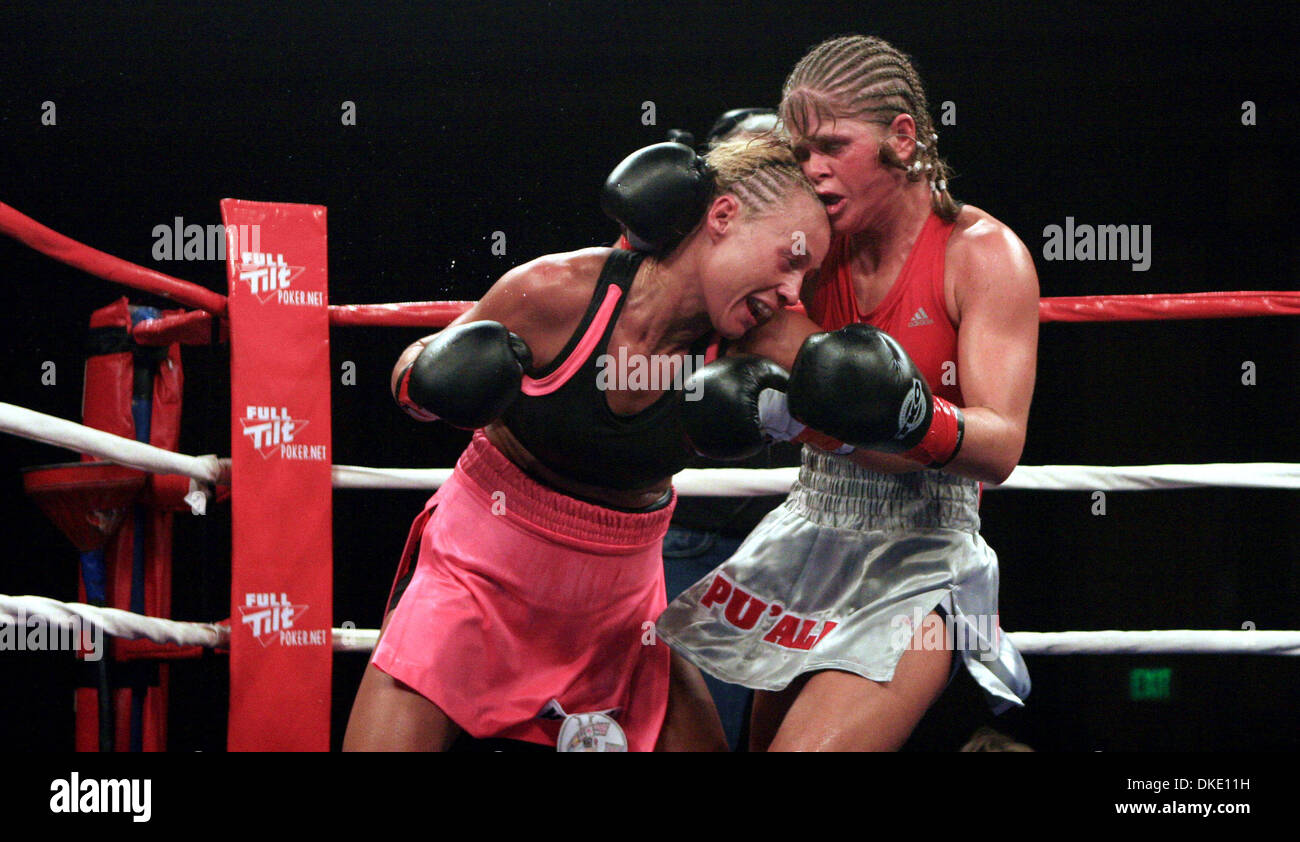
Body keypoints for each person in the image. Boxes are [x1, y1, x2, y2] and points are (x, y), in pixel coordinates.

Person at [342, 136, 831, 751]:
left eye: (807, 274)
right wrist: (428, 380)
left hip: (621, 602)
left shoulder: (757, 341)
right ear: (724, 216)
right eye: (791, 261)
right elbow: (409, 374)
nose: (794, 291)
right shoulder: (558, 292)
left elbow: (859, 401)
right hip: (479, 572)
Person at [655, 34, 1038, 751]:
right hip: (810, 528)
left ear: (902, 137)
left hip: (925, 554)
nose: (815, 171)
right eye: (800, 154)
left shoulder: (983, 255)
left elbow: (1001, 445)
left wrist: (910, 415)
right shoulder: (805, 249)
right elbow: (690, 307)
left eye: (832, 145)